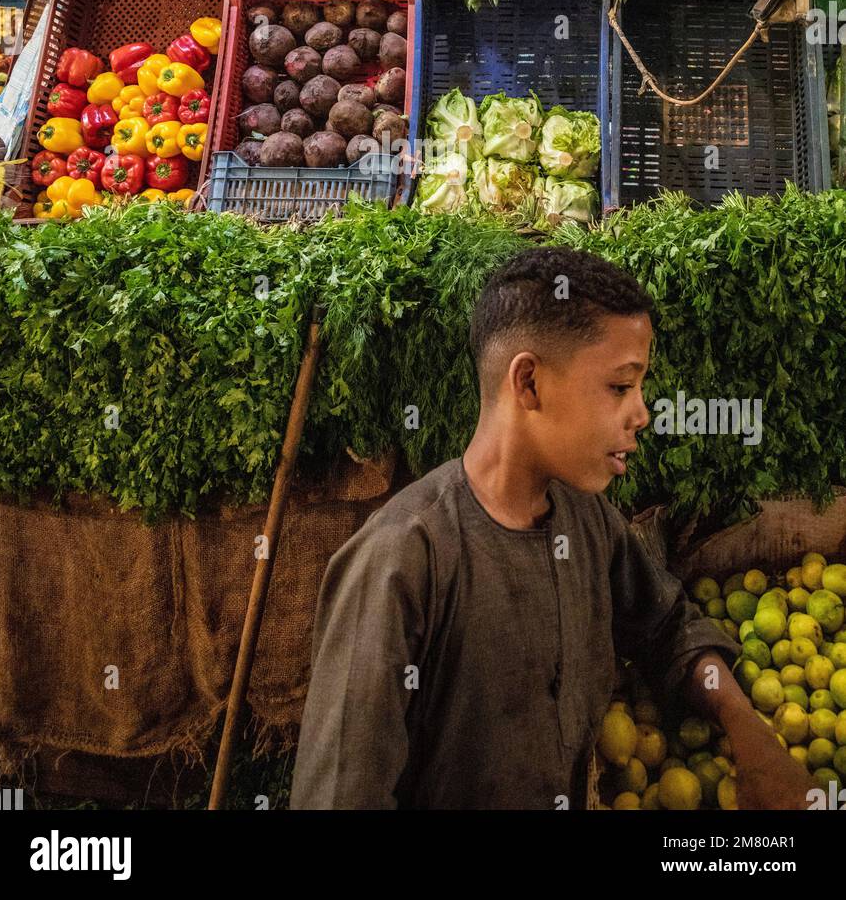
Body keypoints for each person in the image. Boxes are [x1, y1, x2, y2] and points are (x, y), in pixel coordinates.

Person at [290, 246, 810, 811]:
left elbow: (666, 627)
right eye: (620, 387)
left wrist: (748, 730)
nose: (641, 414)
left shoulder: (584, 519)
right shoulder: (401, 561)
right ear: (530, 384)